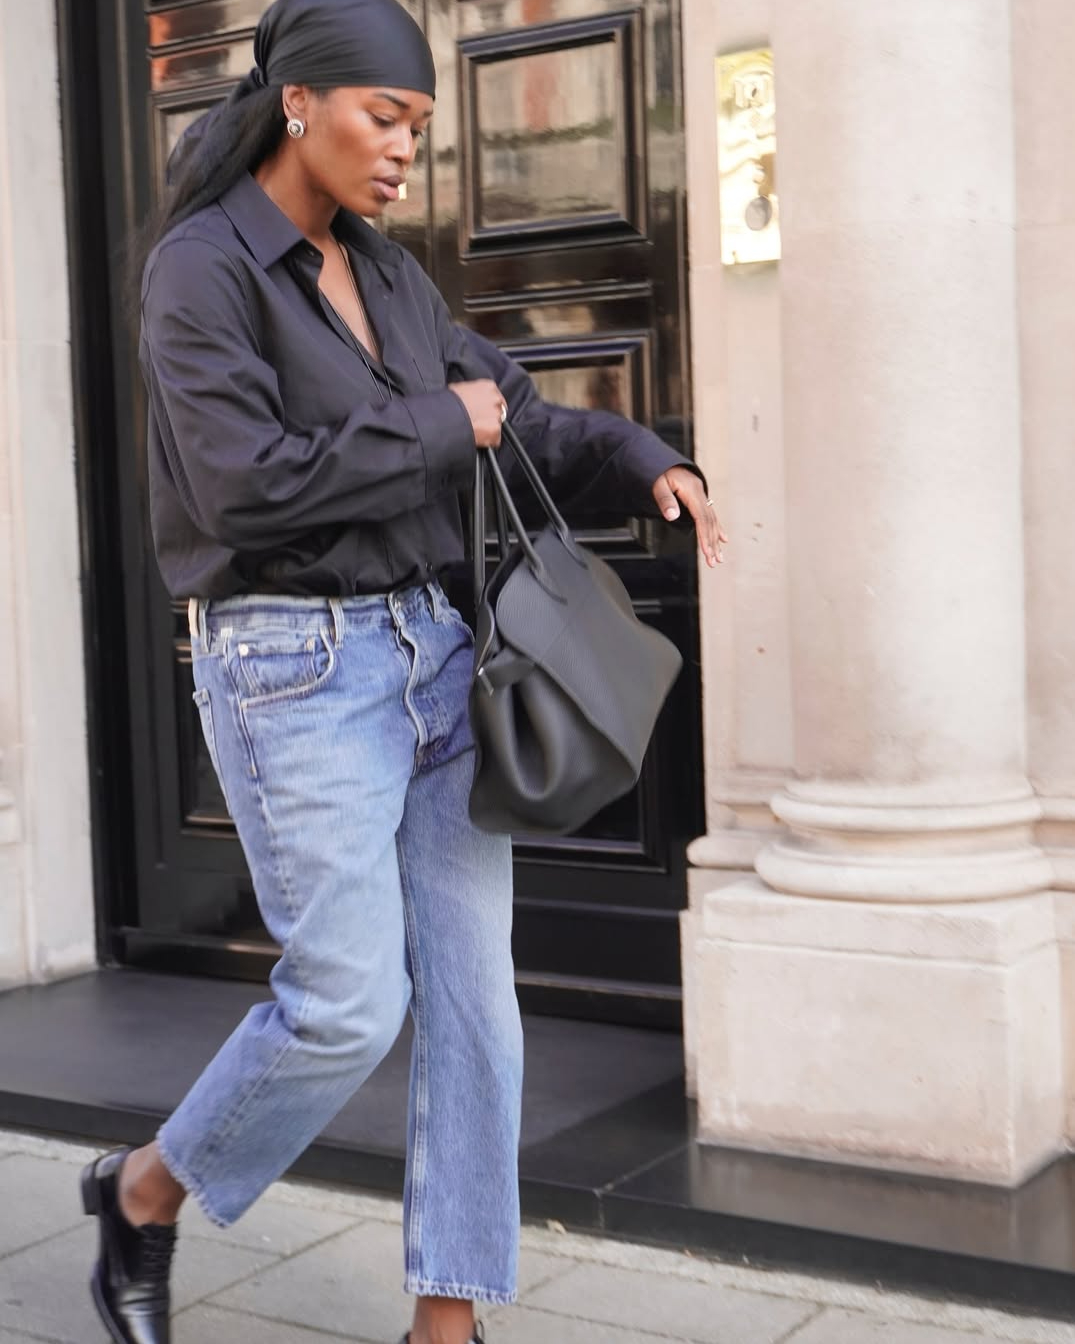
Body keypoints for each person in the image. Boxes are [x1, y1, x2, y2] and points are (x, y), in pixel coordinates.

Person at [79, 1, 727, 1341]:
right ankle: (142, 1195)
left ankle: (449, 1318)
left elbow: (518, 414)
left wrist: (647, 459)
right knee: (346, 1003)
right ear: (301, 103)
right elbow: (245, 487)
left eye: (420, 130)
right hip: (291, 669)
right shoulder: (200, 271)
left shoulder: (389, 276)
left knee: (478, 1010)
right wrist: (441, 421)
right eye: (385, 120)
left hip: (434, 661)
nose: (402, 154)